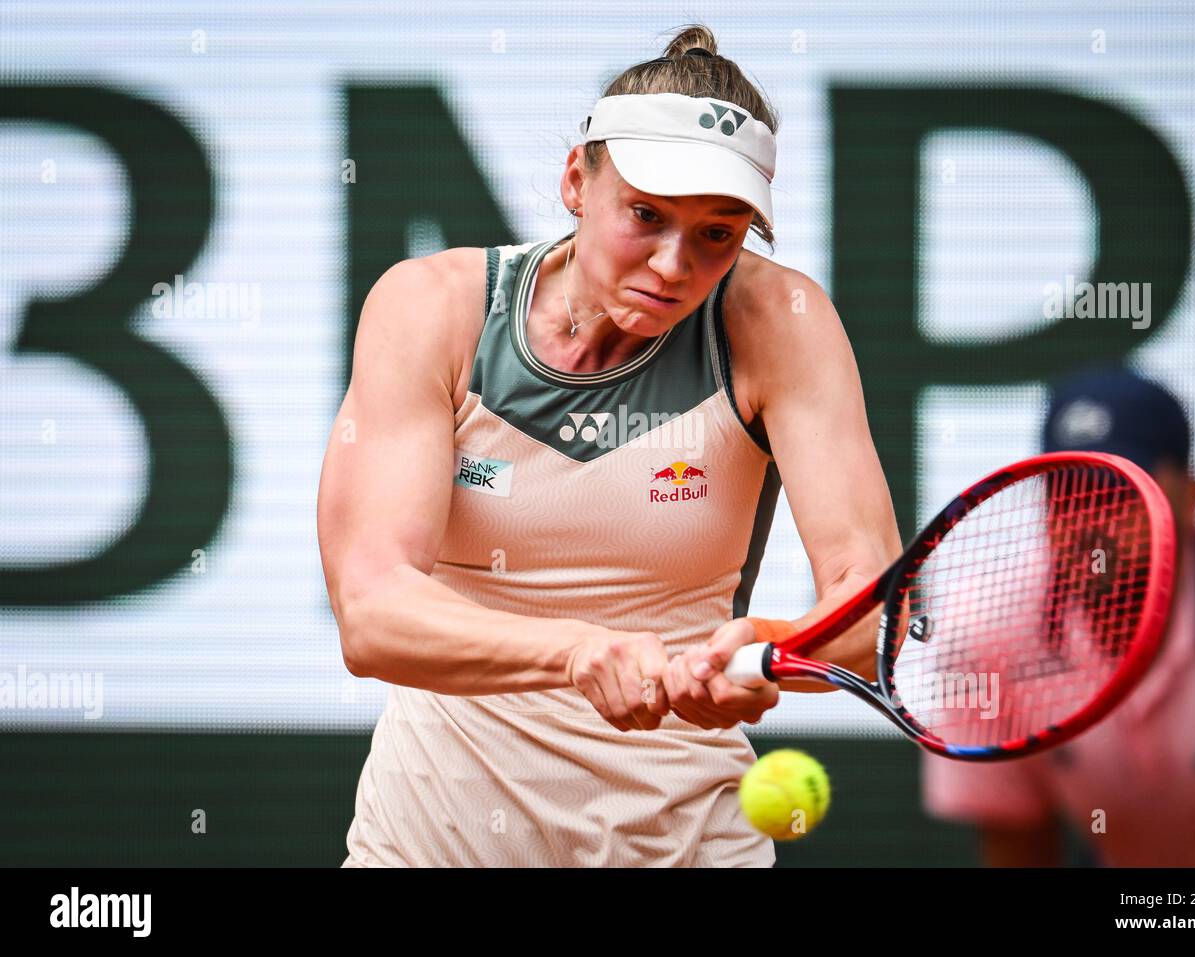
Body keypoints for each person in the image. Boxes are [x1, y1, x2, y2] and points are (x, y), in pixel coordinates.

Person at [317, 25, 902, 867]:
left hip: (685, 839)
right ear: (575, 181)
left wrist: (773, 648)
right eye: (646, 214)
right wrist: (577, 650)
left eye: (718, 232)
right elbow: (372, 613)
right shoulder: (432, 307)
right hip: (432, 842)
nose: (672, 263)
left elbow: (875, 602)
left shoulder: (781, 322)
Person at [920, 364, 1195, 866]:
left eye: (1117, 497)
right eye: (1068, 497)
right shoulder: (983, 631)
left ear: (1191, 499)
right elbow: (1018, 845)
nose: (1088, 528)